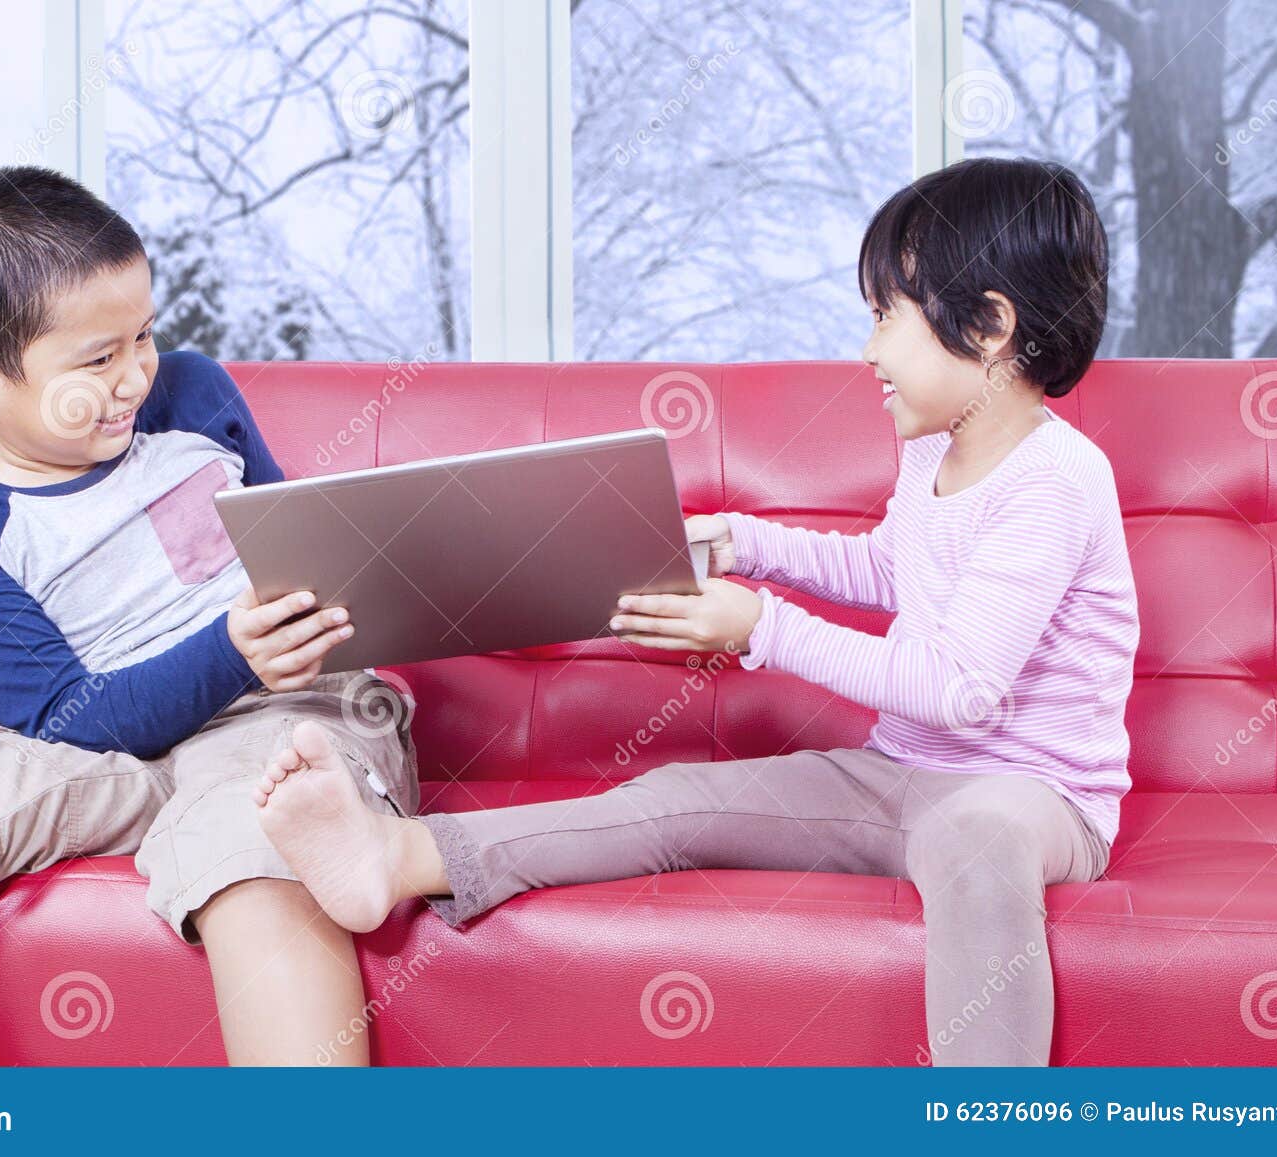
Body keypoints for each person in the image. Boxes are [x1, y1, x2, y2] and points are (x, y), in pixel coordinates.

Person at [252, 157, 1139, 1067]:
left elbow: (960, 689)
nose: (867, 351)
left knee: (978, 836)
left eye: (886, 317)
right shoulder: (933, 450)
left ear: (988, 326)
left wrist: (762, 627)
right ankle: (397, 857)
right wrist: (745, 542)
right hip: (899, 776)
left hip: (1037, 800)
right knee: (678, 797)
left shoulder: (1056, 480)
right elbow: (890, 569)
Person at [0, 166, 414, 1066]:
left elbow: (297, 557)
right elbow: (61, 717)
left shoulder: (192, 396)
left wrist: (315, 610)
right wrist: (229, 651)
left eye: (144, 336)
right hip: (99, 744)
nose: (133, 377)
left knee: (266, 827)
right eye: (96, 361)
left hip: (277, 710)